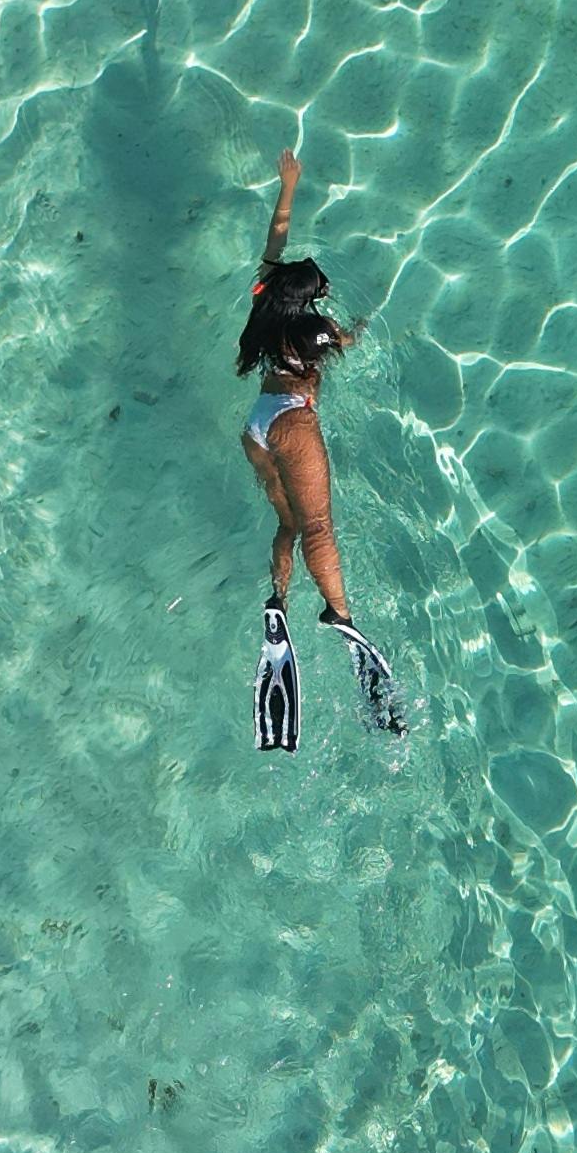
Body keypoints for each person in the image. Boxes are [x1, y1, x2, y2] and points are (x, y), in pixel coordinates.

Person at [240, 151, 406, 743]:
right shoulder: (314, 331)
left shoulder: (267, 301)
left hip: (256, 427)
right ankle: (340, 613)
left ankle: (278, 599)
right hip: (292, 423)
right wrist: (364, 325)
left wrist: (287, 187)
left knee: (288, 522)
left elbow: (276, 240)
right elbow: (344, 343)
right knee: (318, 528)